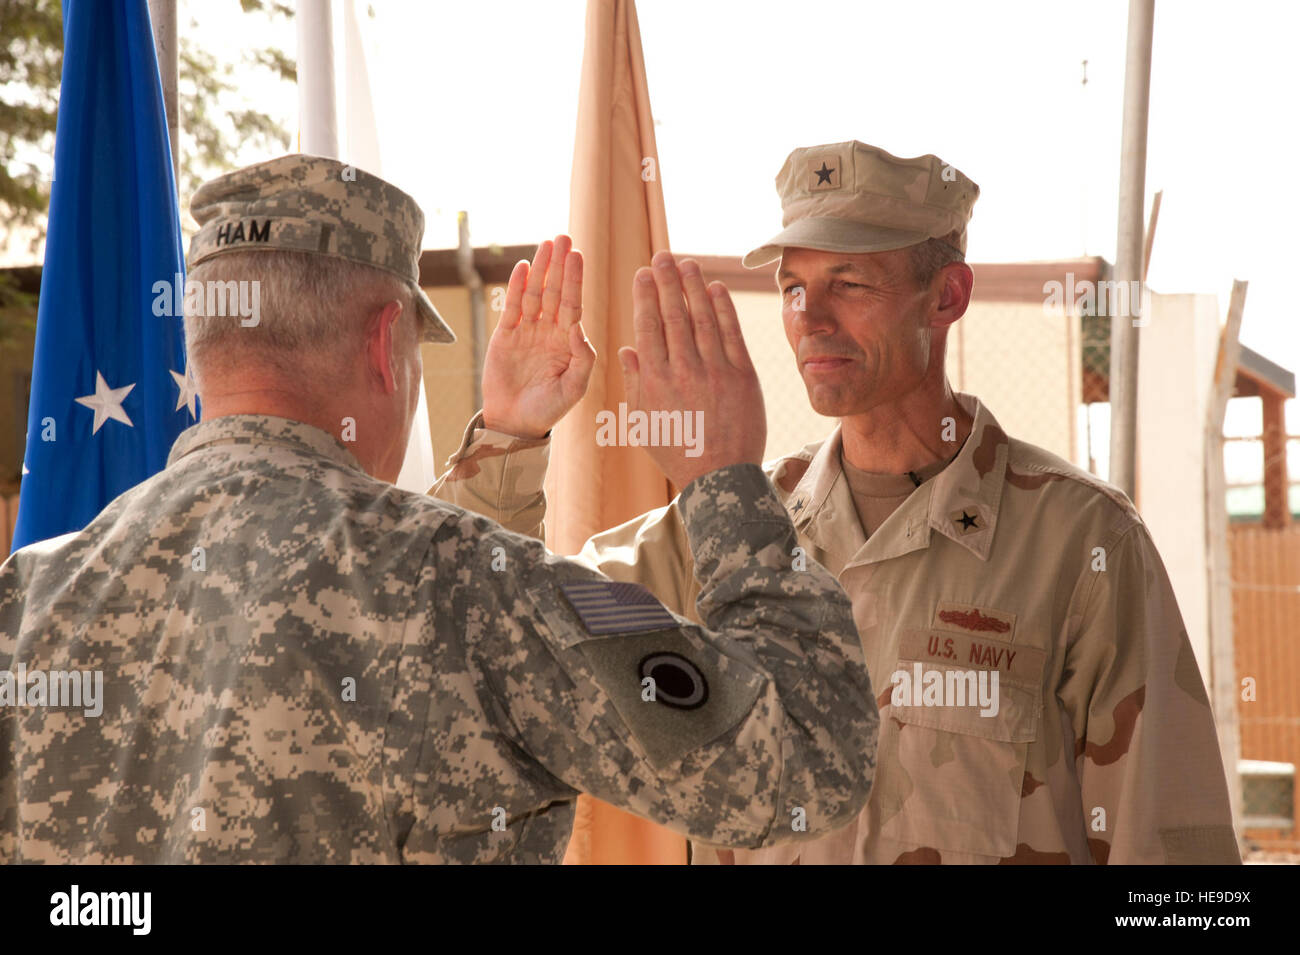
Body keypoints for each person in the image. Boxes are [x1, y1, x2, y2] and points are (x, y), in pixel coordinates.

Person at [0, 154, 880, 864]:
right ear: (388, 345)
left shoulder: (27, 597)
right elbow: (804, 756)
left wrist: (504, 443)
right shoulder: (473, 586)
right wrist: (724, 480)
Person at [439, 140, 1242, 864]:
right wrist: (510, 432)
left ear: (946, 295)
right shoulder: (733, 526)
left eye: (849, 283)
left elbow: (1172, 860)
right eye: (793, 288)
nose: (809, 319)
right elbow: (488, 624)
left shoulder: (1079, 544)